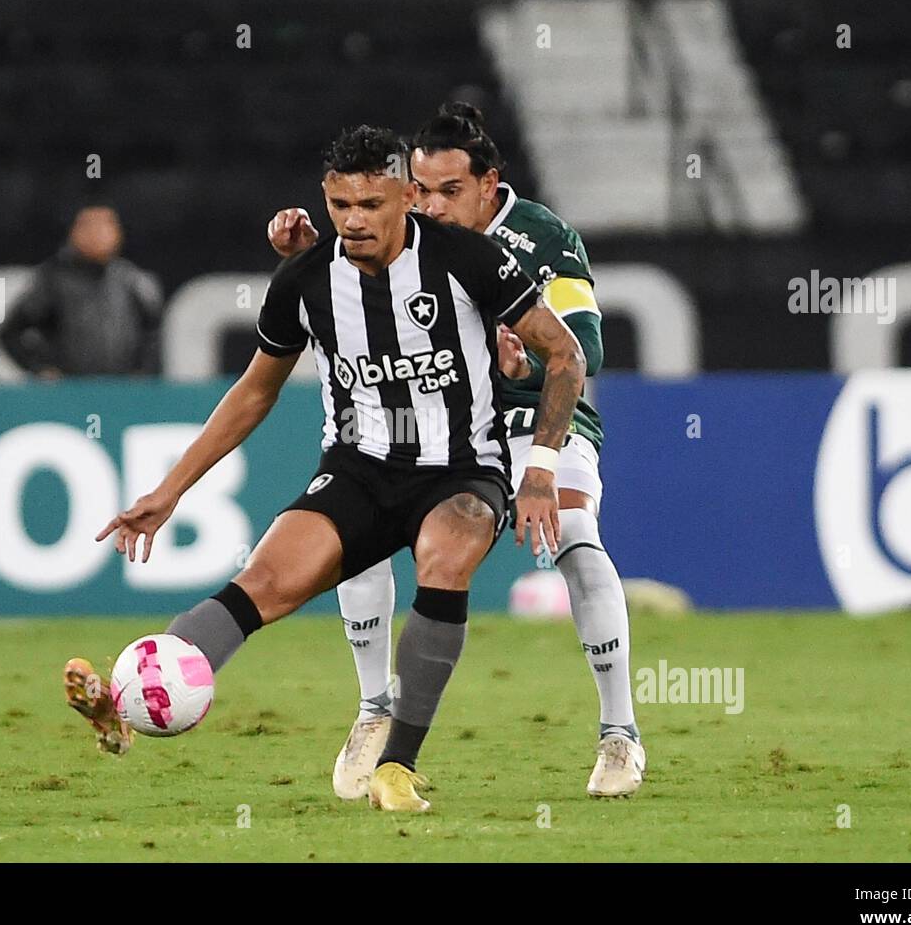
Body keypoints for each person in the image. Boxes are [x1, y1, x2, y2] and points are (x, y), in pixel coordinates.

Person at [68, 125, 586, 812]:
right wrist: (169, 491)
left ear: (406, 196)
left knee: (445, 553)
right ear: (325, 198)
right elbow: (255, 390)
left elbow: (567, 354)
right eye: (341, 205)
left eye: (371, 204)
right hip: (360, 472)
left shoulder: (468, 259)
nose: (355, 221)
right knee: (263, 584)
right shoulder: (307, 280)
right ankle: (127, 705)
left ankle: (395, 766)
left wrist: (541, 472)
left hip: (461, 468)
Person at [267, 102, 644, 799]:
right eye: (420, 188)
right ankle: (374, 712)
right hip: (431, 422)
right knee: (359, 533)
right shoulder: (405, 234)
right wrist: (301, 254)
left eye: (448, 191)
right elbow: (346, 294)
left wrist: (523, 369)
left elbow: (581, 352)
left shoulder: (542, 238)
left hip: (532, 417)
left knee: (578, 535)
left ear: (489, 184)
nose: (430, 205)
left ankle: (620, 734)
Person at [0, 201, 163, 377]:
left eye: (107, 224)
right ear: (73, 232)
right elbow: (10, 333)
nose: (98, 233)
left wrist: (142, 372)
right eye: (89, 225)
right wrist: (40, 369)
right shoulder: (54, 278)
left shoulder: (130, 279)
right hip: (71, 393)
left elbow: (153, 333)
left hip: (120, 393)